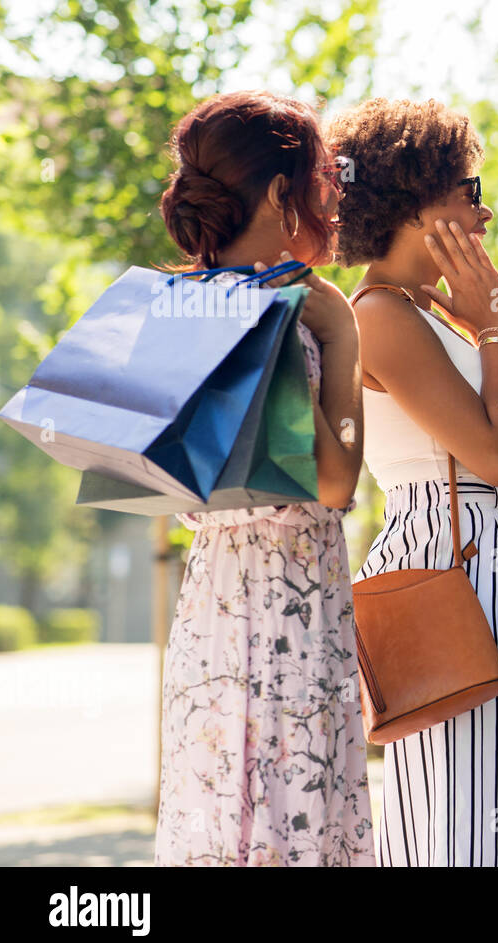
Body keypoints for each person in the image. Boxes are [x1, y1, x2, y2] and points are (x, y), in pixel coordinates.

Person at [326, 97, 498, 866]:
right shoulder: (381, 314)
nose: (484, 215)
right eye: (469, 192)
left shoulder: (432, 313)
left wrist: (485, 325)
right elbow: (496, 458)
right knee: (457, 832)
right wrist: (495, 328)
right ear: (416, 203)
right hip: (448, 574)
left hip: (486, 576)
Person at [154, 91, 374, 865]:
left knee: (228, 816)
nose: (333, 193)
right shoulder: (274, 311)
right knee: (292, 819)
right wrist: (341, 336)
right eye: (323, 175)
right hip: (284, 612)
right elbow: (336, 481)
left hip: (214, 603)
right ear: (282, 193)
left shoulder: (183, 303)